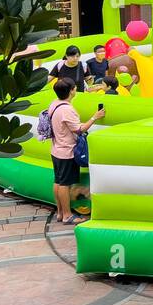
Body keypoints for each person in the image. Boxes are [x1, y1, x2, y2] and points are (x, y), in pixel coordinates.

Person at [46, 80, 103, 225]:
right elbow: (79, 129)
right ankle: (67, 215)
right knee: (65, 184)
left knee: (58, 181)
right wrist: (95, 117)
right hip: (67, 151)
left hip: (56, 149)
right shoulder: (67, 110)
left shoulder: (54, 104)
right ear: (72, 91)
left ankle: (60, 212)